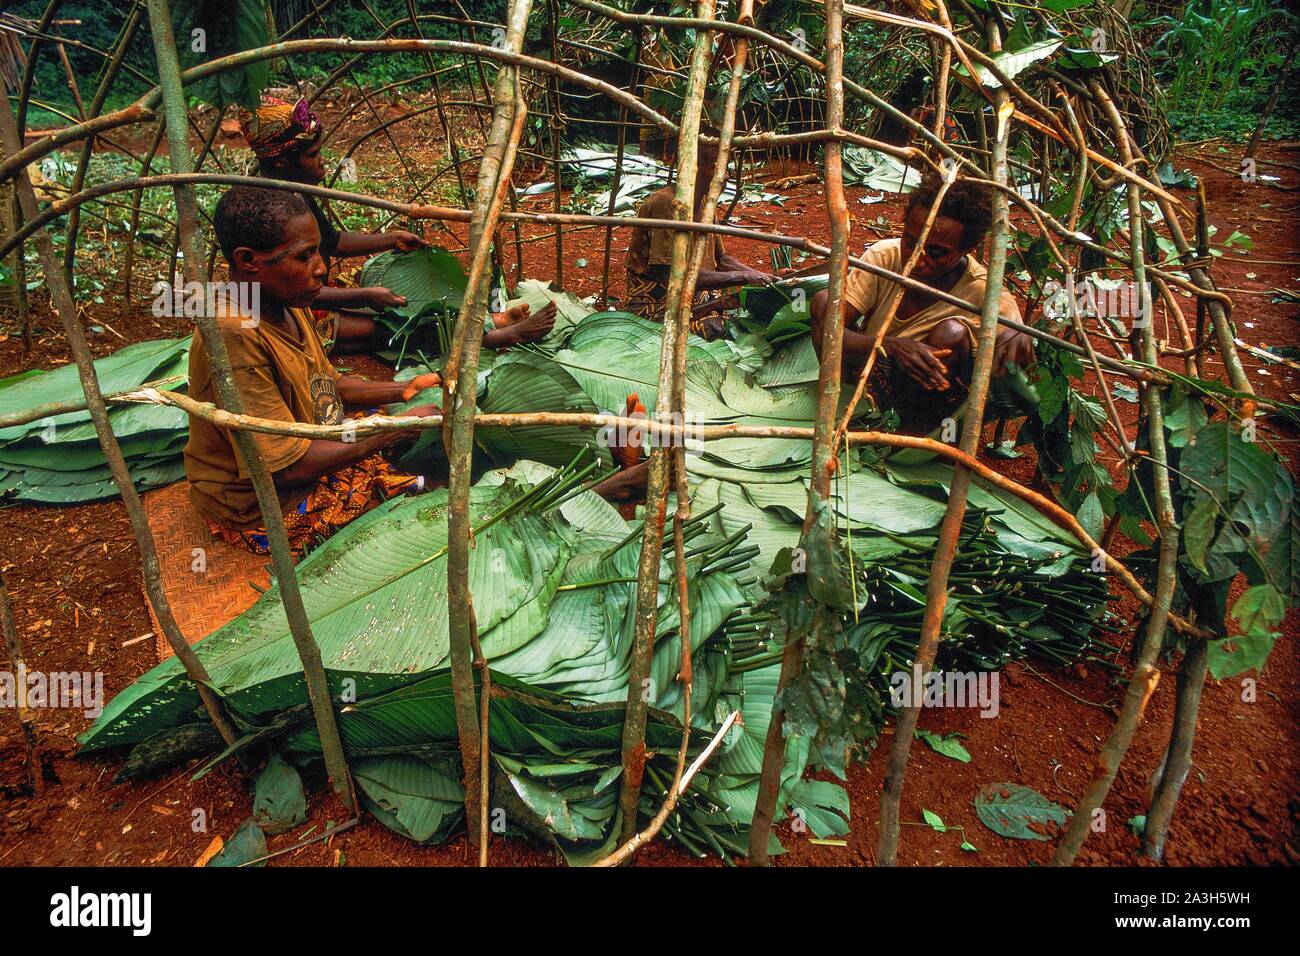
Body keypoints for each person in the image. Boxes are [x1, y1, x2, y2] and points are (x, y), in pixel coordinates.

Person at [184, 185, 443, 555]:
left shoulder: (286, 300)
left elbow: (328, 384)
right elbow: (289, 469)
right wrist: (390, 431)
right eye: (304, 256)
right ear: (248, 260)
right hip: (266, 501)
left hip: (307, 438)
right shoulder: (233, 337)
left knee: (391, 422)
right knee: (419, 498)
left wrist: (404, 389)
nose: (321, 268)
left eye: (318, 250)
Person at [239, 96, 555, 352]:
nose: (322, 160)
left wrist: (391, 239)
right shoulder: (269, 209)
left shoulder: (293, 191)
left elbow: (332, 242)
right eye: (313, 154)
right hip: (285, 313)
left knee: (392, 316)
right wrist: (365, 295)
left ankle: (490, 320)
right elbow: (291, 290)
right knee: (397, 327)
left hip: (311, 298)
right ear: (282, 161)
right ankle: (493, 336)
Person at [809, 173, 1034, 434]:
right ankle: (845, 404)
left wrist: (1018, 340)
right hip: (869, 378)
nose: (917, 258)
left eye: (936, 252)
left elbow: (1020, 356)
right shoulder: (884, 257)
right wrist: (890, 347)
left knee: (951, 334)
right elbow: (828, 333)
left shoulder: (983, 292)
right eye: (910, 242)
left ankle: (913, 434)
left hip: (923, 400)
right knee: (826, 302)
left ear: (968, 247)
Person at [625, 129, 776, 331]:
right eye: (716, 166)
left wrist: (761, 276)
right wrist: (744, 277)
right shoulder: (666, 203)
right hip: (658, 306)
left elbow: (721, 259)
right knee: (720, 330)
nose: (726, 175)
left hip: (699, 299)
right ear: (694, 167)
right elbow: (675, 277)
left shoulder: (705, 203)